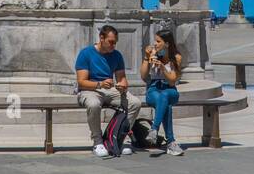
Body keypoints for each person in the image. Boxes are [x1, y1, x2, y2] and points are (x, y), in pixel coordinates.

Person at [74, 24, 149, 158]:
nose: (113, 45)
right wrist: (99, 84)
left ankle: (119, 136)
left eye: (115, 42)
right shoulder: (86, 53)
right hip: (90, 89)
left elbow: (122, 79)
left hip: (110, 89)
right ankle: (98, 141)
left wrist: (122, 85)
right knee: (93, 104)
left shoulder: (117, 55)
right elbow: (81, 82)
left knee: (135, 103)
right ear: (101, 38)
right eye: (111, 42)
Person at [140, 28, 184, 156]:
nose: (155, 44)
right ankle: (171, 143)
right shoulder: (152, 55)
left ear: (167, 44)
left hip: (170, 90)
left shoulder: (176, 57)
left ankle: (154, 129)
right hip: (153, 88)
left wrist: (163, 67)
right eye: (155, 41)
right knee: (166, 105)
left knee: (164, 95)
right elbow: (143, 76)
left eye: (158, 41)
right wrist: (146, 57)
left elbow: (172, 81)